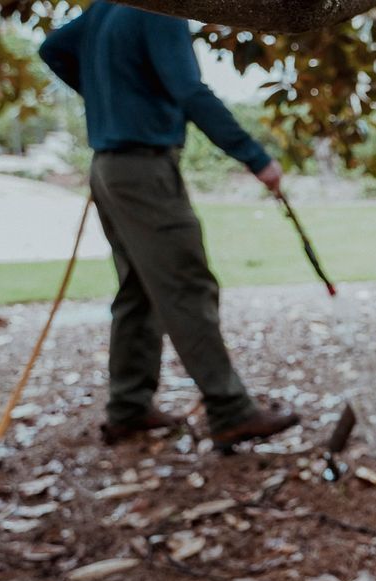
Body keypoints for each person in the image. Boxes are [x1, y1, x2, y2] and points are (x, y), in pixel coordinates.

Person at [39, 1, 299, 451]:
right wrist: (255, 158)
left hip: (110, 167)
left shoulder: (109, 7)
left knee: (138, 290)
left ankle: (128, 408)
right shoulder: (159, 7)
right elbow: (190, 91)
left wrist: (111, 100)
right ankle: (230, 411)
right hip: (142, 170)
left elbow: (53, 48)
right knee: (186, 287)